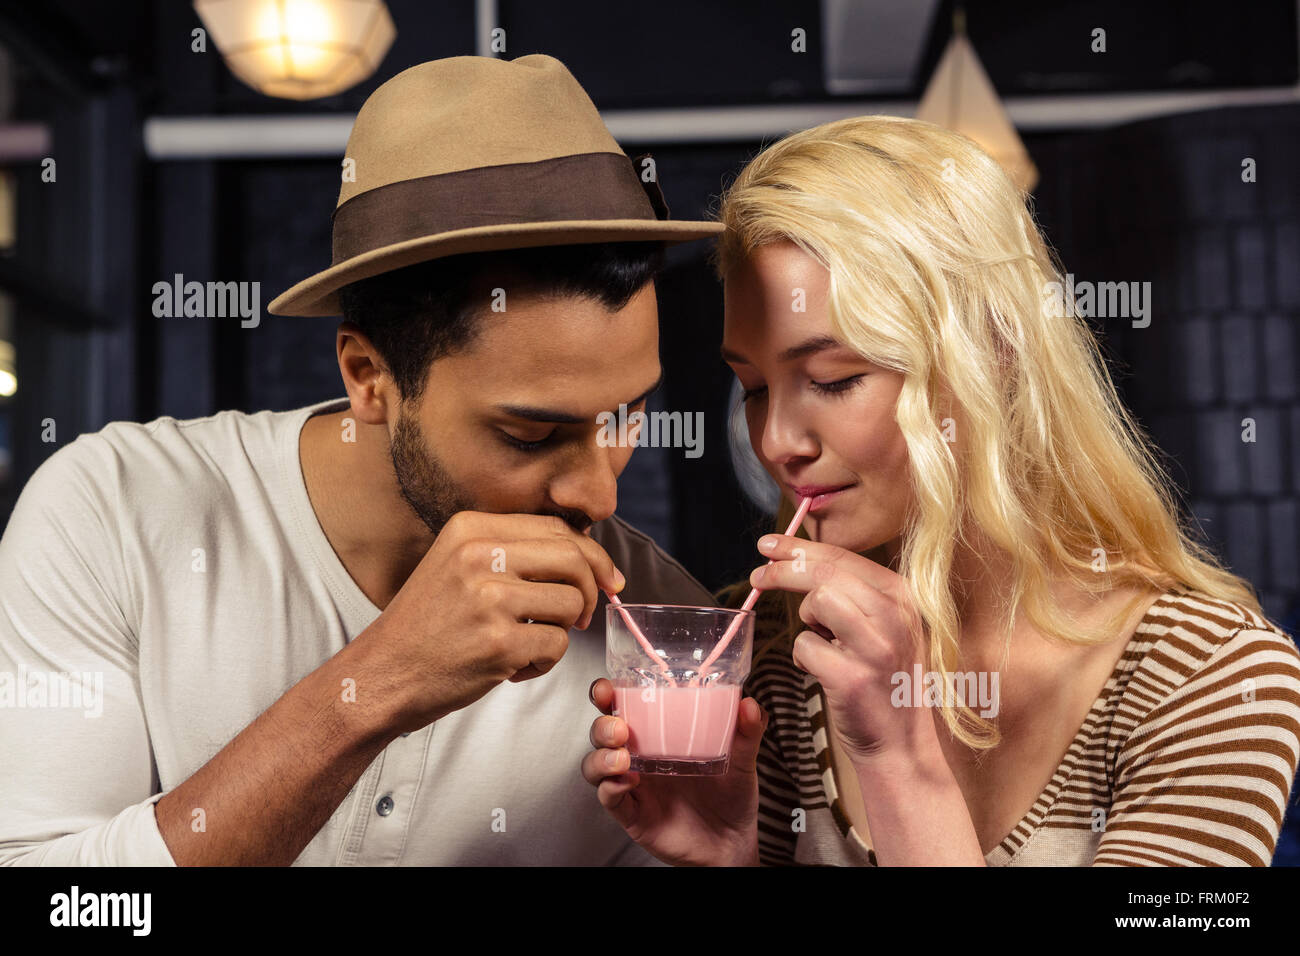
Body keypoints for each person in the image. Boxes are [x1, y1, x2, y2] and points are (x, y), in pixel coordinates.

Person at [0, 54, 723, 865]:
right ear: (369, 377)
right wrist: (378, 684)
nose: (599, 490)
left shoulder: (662, 638)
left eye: (627, 415)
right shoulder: (112, 513)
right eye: (529, 434)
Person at [583, 114, 1300, 866]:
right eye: (754, 388)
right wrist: (734, 862)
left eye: (834, 380)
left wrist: (900, 758)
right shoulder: (767, 662)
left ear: (991, 356)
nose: (776, 443)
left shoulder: (1215, 682)